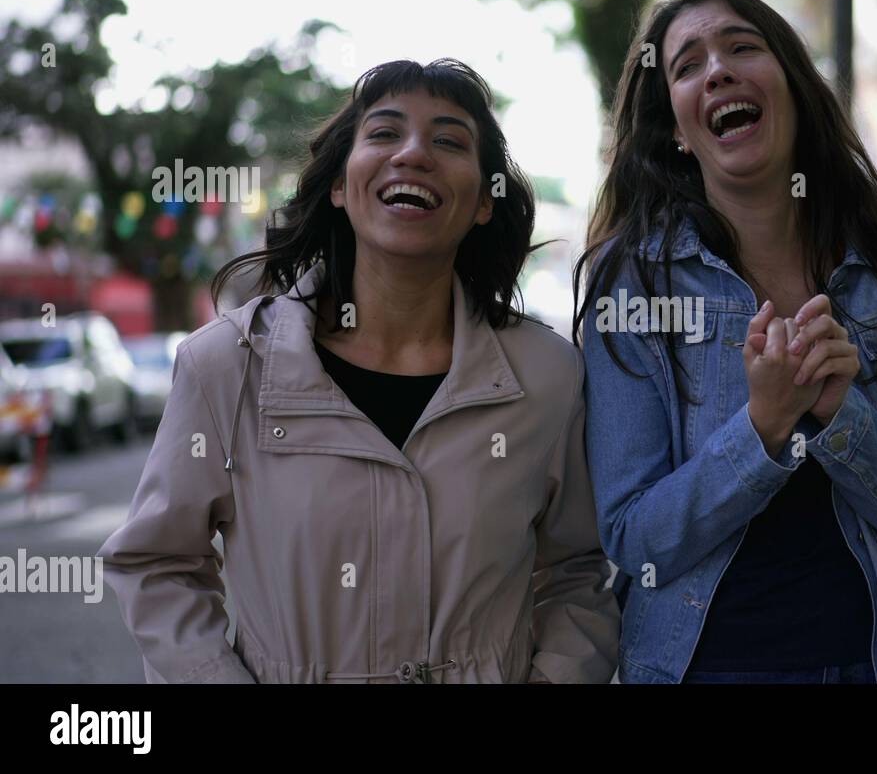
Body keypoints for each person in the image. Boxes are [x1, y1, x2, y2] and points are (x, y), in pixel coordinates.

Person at [99, 59, 619, 683]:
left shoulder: (548, 375)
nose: (413, 154)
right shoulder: (225, 366)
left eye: (449, 140)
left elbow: (575, 572)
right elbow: (157, 563)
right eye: (383, 133)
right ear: (342, 186)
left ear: (484, 202)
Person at [575, 0, 877, 684]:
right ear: (675, 127)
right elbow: (634, 537)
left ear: (791, 81)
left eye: (741, 47)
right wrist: (762, 429)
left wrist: (839, 415)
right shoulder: (634, 281)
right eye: (686, 65)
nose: (718, 71)